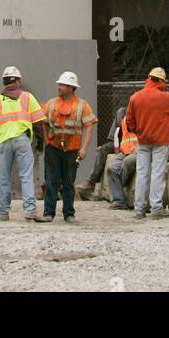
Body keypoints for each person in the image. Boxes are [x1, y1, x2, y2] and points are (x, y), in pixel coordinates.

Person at [0, 66, 46, 222]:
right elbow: (38, 123)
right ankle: (29, 210)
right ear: (17, 81)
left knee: (3, 178)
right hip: (22, 140)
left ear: (4, 82)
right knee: (26, 176)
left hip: (3, 142)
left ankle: (3, 213)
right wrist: (40, 142)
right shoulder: (27, 98)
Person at [124, 65, 169, 218]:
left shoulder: (135, 97)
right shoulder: (164, 97)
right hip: (160, 141)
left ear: (149, 79)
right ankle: (156, 209)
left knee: (142, 173)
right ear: (162, 81)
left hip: (143, 141)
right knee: (157, 174)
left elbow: (129, 121)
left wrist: (138, 131)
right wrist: (165, 92)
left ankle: (139, 209)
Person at [39, 72, 97, 224]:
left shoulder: (82, 106)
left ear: (71, 87)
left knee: (68, 182)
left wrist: (84, 148)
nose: (59, 87)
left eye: (62, 85)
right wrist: (46, 141)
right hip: (53, 147)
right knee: (52, 180)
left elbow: (89, 126)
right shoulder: (51, 104)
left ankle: (69, 213)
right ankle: (48, 213)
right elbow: (43, 123)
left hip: (72, 149)